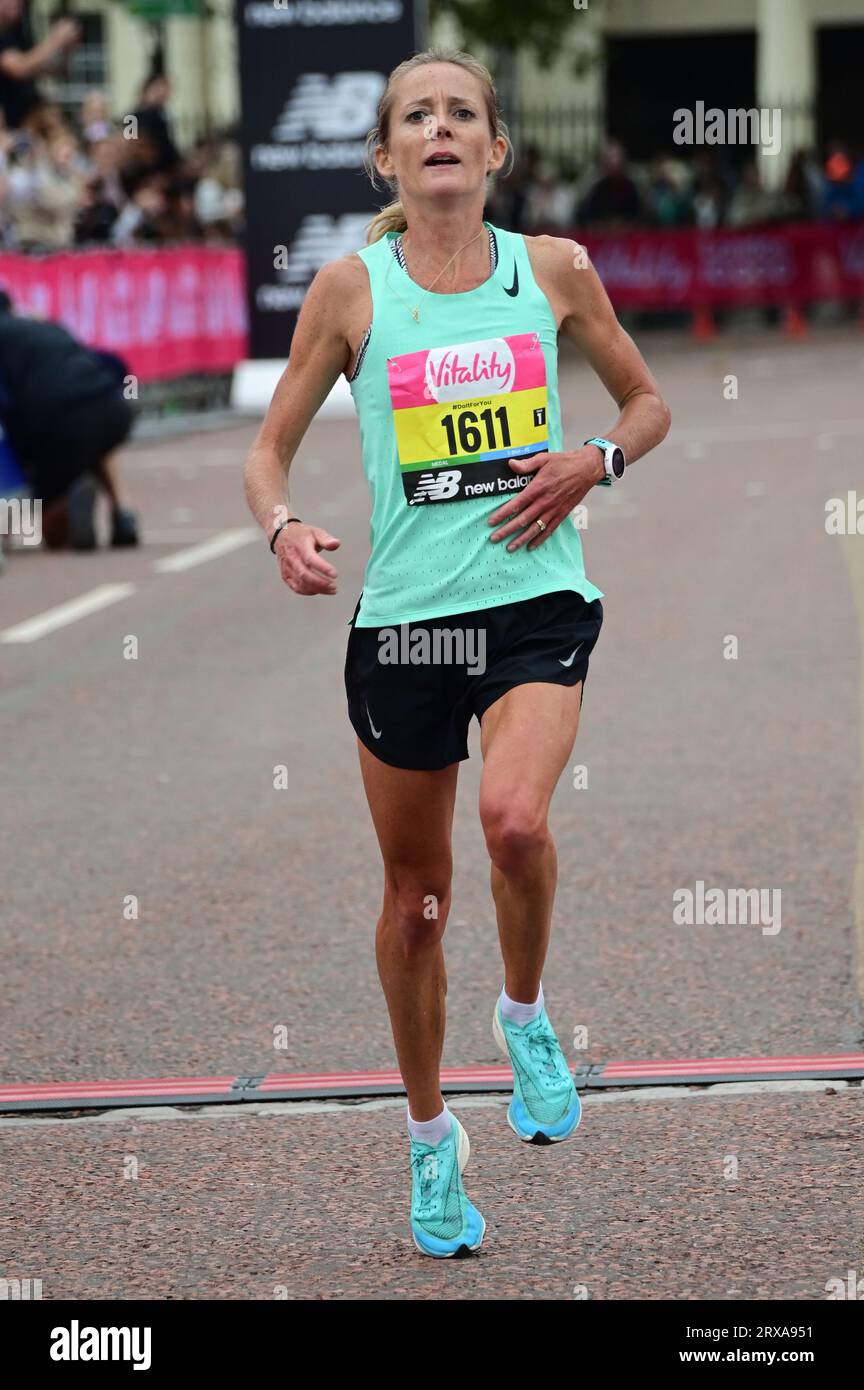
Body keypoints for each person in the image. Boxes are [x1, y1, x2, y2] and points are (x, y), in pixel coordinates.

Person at [243, 46, 670, 1258]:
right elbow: (264, 453)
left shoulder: (555, 271)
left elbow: (649, 404)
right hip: (408, 627)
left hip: (535, 601)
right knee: (416, 904)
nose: (440, 128)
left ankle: (524, 1014)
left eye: (462, 114)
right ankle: (434, 1141)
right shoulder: (350, 290)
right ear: (388, 157)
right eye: (416, 116)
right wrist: (283, 526)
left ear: (495, 151)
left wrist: (598, 456)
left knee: (517, 823)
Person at [0, 290, 139, 548]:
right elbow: (113, 362)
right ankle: (124, 513)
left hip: (55, 423)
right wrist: (128, 392)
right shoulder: (46, 327)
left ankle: (70, 499)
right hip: (111, 408)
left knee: (52, 535)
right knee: (99, 446)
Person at [0, 0, 79, 132]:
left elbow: (47, 70)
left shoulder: (17, 32)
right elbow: (20, 68)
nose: (19, 4)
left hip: (27, 120)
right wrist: (57, 39)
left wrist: (65, 50)